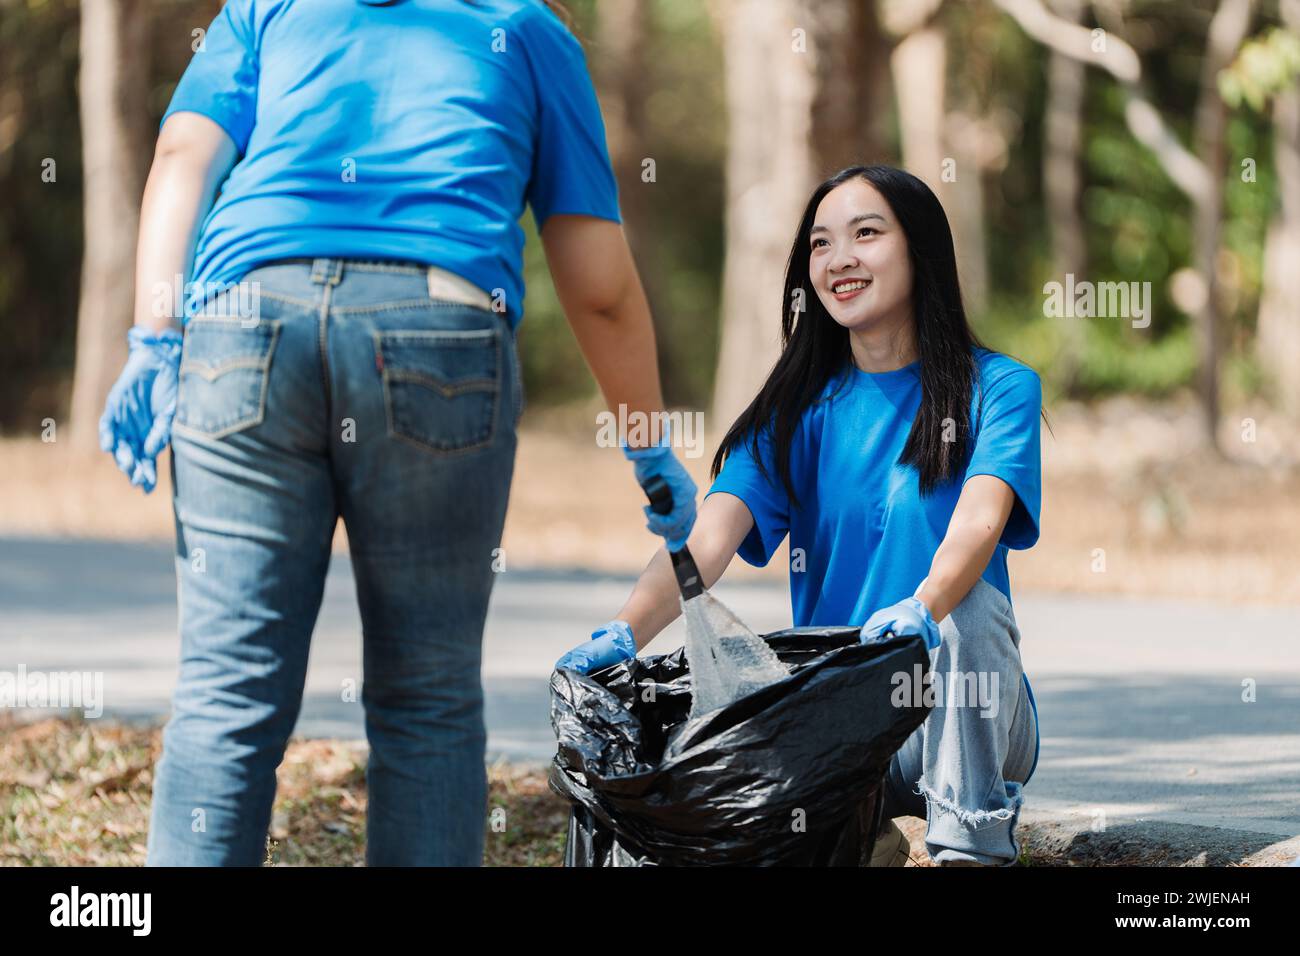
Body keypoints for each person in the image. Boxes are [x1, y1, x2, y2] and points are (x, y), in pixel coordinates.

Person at [96, 0, 696, 866]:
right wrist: (644, 440)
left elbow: (182, 155)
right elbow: (598, 285)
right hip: (438, 326)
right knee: (427, 699)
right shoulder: (526, 28)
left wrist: (156, 335)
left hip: (243, 323)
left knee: (226, 696)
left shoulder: (270, 7)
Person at [559, 164, 1044, 867]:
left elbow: (976, 524)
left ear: (921, 250)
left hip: (966, 701)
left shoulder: (997, 388)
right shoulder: (793, 415)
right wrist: (621, 634)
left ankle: (969, 850)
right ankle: (863, 831)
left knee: (965, 612)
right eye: (820, 243)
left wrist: (920, 609)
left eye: (866, 234)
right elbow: (707, 542)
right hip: (847, 721)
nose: (839, 258)